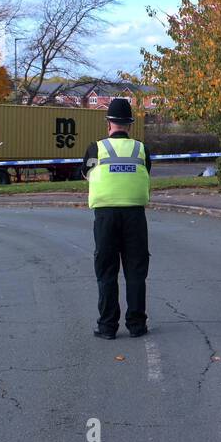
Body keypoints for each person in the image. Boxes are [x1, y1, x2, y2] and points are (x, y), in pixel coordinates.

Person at [83, 97, 152, 339]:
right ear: (130, 125)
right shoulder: (141, 149)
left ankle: (107, 327)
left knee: (107, 272)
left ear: (109, 122)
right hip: (135, 215)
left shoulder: (96, 148)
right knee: (135, 271)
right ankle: (137, 325)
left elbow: (87, 173)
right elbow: (147, 171)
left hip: (105, 217)